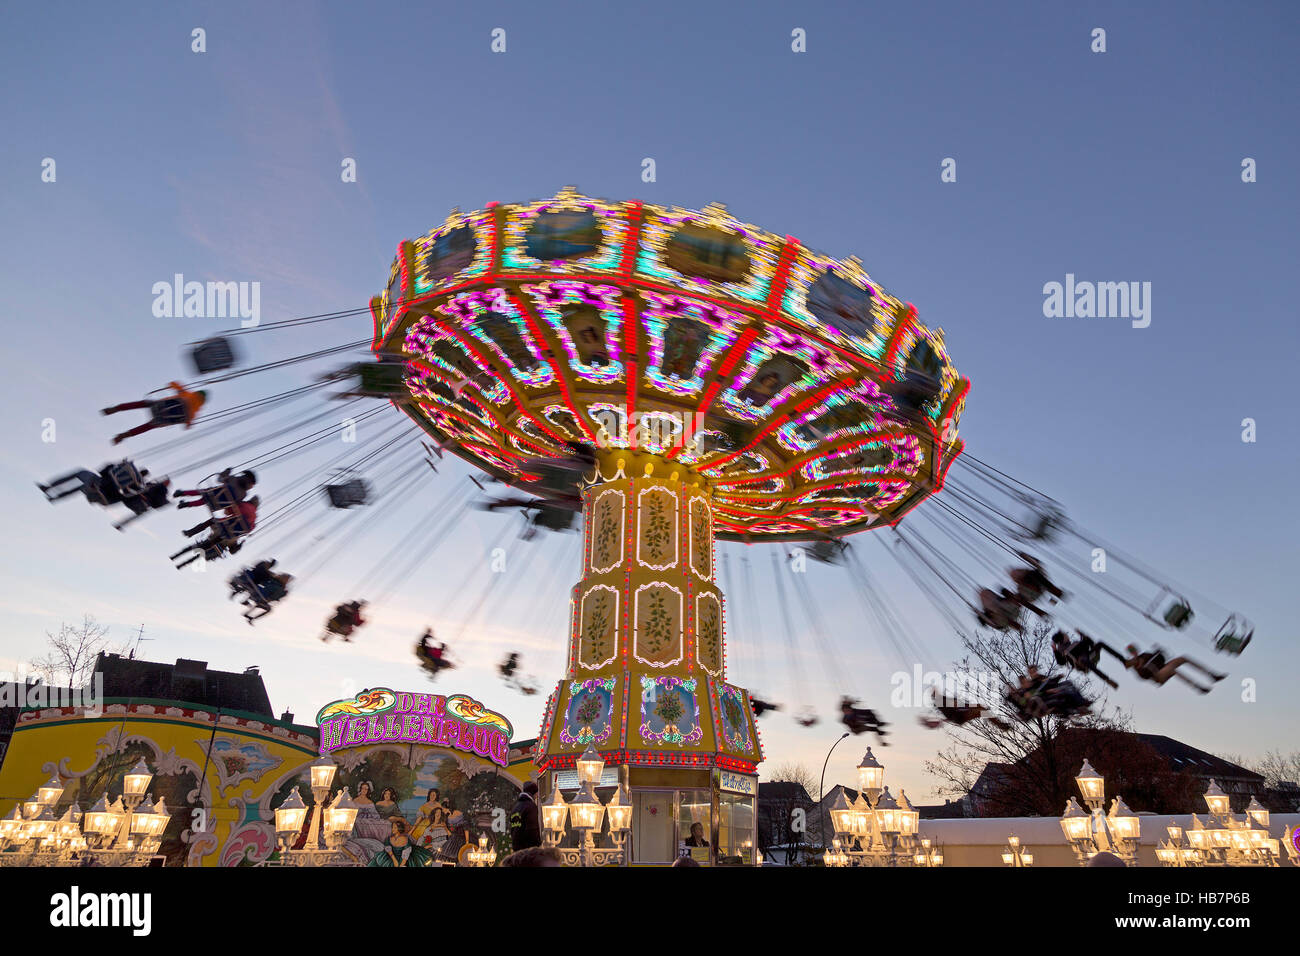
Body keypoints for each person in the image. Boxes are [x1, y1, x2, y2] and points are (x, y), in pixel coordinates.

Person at [103, 382, 207, 444]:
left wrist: (174, 386)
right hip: (162, 420)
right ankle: (123, 436)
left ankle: (116, 408)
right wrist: (189, 423)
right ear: (202, 403)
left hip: (159, 406)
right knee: (148, 426)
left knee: (142, 404)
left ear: (196, 393)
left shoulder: (186, 393)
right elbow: (187, 426)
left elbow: (173, 384)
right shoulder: (194, 414)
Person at [1123, 644, 1226, 694]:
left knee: (1183, 658)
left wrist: (1159, 652)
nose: (1135, 652)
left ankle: (1211, 675)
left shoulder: (1144, 655)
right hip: (1157, 677)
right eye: (1133, 652)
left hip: (1163, 668)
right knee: (1173, 671)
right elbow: (1144, 676)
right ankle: (1197, 686)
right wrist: (1142, 667)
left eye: (1135, 650)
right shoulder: (1136, 667)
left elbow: (1160, 659)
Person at [1051, 630, 1123, 689]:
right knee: (1082, 659)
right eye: (1065, 635)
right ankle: (1107, 679)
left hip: (1089, 656)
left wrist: (1083, 636)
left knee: (1100, 644)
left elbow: (1091, 644)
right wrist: (1055, 651)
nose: (1067, 636)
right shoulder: (1061, 650)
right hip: (1080, 663)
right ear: (1062, 639)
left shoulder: (1073, 643)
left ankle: (1124, 661)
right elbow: (1061, 662)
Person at [173, 468, 256, 510]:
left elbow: (220, 479)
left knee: (203, 492)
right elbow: (236, 503)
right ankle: (186, 504)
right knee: (205, 501)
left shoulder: (234, 479)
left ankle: (181, 493)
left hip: (213, 493)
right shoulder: (244, 494)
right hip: (218, 505)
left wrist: (226, 472)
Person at [183, 496, 259, 539]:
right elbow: (250, 529)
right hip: (234, 533)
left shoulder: (244, 504)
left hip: (227, 523)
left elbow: (228, 511)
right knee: (221, 537)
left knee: (212, 521)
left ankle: (191, 532)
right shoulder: (255, 517)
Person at [368, 818, 433, 868]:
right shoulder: (389, 839)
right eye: (392, 827)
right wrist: (395, 861)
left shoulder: (405, 840)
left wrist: (400, 865)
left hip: (404, 859)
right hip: (391, 858)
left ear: (399, 828)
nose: (393, 829)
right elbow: (389, 852)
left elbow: (405, 856)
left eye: (395, 828)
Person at [171, 533, 242, 568]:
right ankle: (177, 558)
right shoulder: (234, 538)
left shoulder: (235, 540)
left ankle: (179, 562)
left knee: (195, 553)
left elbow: (232, 551)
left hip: (215, 546)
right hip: (212, 543)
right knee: (193, 551)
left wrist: (239, 545)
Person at [509, 781, 542, 851]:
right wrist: (538, 846)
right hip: (528, 851)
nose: (537, 796)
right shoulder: (530, 806)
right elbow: (533, 829)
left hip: (517, 849)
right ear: (534, 793)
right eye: (537, 793)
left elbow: (512, 830)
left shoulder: (515, 807)